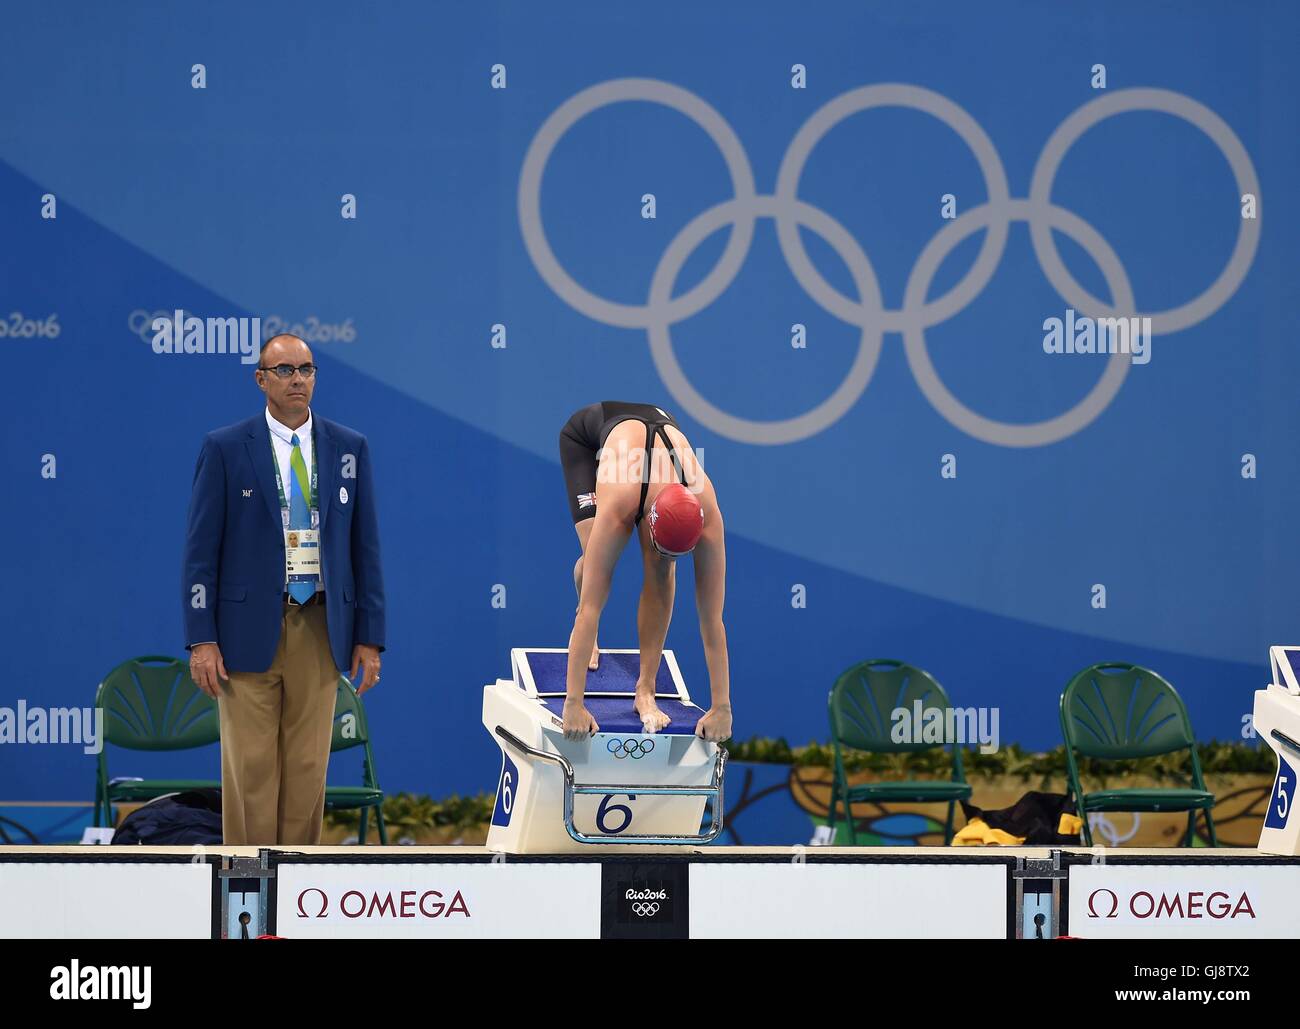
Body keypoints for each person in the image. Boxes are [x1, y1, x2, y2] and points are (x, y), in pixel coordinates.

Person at [181, 333, 386, 845]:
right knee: (249, 769)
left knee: (307, 768)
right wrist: (201, 638)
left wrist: (370, 636)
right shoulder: (226, 447)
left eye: (307, 369)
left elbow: (367, 549)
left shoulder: (348, 447)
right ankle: (248, 893)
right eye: (285, 370)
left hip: (320, 624)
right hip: (245, 630)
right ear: (261, 379)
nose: (298, 379)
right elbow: (200, 554)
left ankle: (297, 892)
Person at [558, 401, 731, 742]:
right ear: (649, 524)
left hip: (658, 426)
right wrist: (574, 703)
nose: (663, 556)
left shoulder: (707, 512)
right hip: (590, 435)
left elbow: (712, 620)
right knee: (594, 564)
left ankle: (645, 689)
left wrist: (722, 707)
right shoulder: (620, 504)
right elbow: (590, 611)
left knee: (661, 572)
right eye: (659, 546)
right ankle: (591, 629)